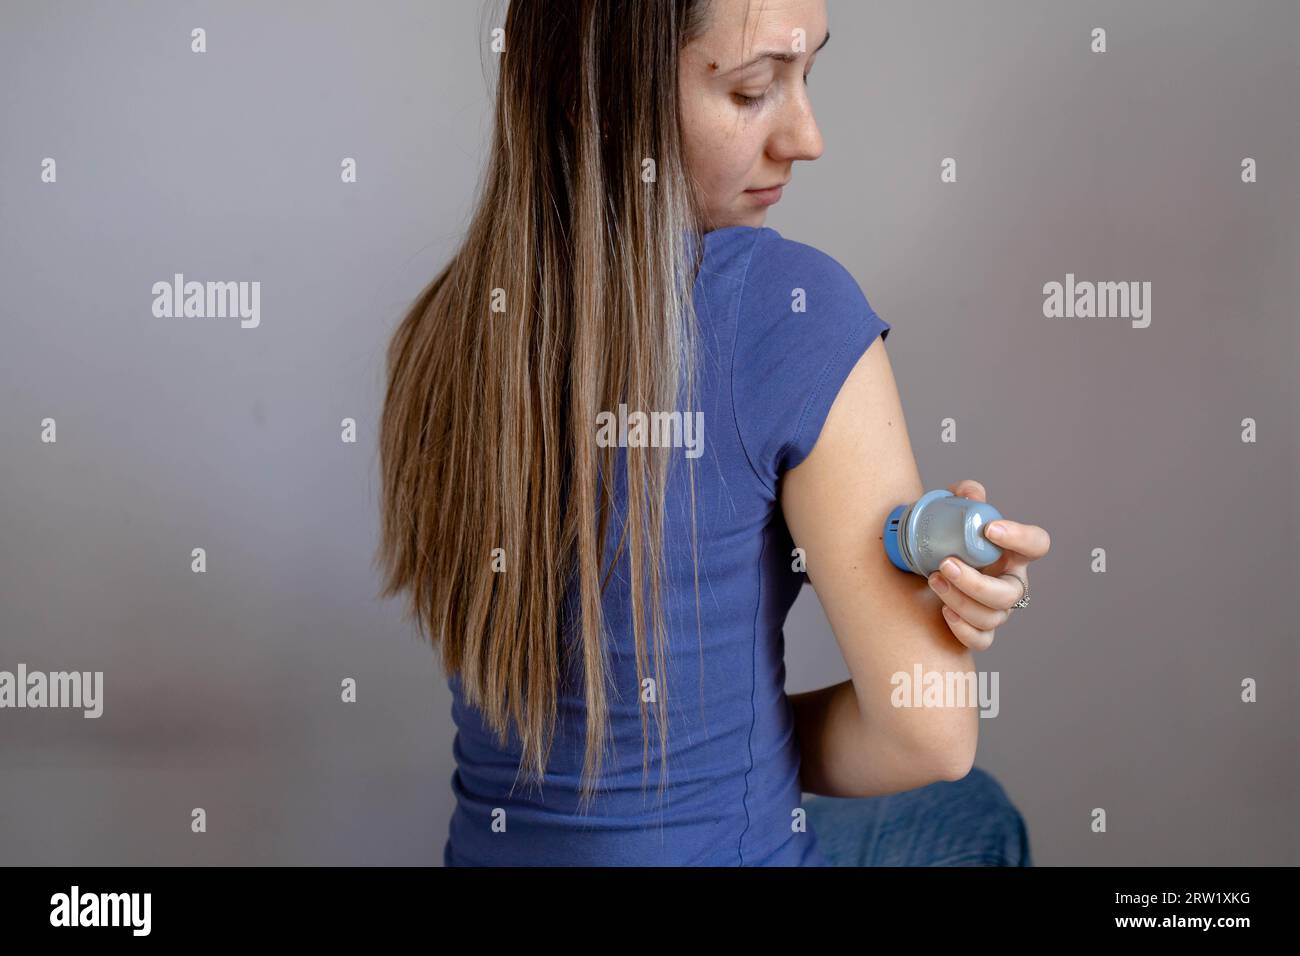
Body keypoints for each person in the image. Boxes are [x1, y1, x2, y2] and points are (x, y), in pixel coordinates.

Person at [375, 0, 1050, 866]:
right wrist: (939, 617)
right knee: (974, 815)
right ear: (602, 95)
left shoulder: (443, 329)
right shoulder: (786, 308)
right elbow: (931, 739)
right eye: (754, 89)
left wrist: (681, 762)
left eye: (807, 76)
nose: (806, 137)